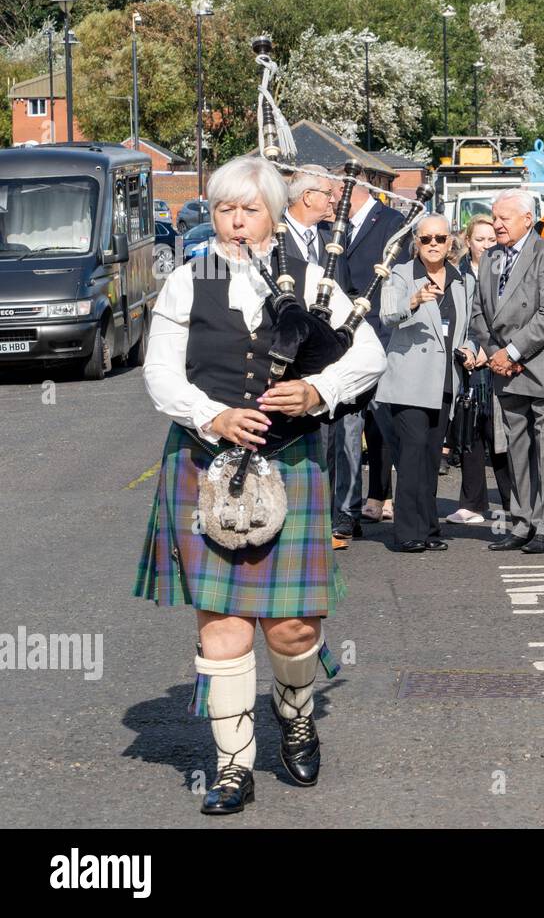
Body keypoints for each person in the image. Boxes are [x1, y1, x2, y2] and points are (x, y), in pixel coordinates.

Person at [135, 155, 386, 814]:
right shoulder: (187, 281)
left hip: (291, 460)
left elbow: (369, 356)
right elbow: (159, 372)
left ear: (274, 216)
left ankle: (296, 714)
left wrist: (318, 390)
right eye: (224, 209)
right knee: (224, 629)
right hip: (203, 463)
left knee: (293, 630)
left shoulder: (311, 281)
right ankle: (232, 766)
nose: (236, 222)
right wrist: (212, 415)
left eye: (249, 210)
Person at [465, 189, 544, 555]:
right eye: (495, 217)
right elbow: (478, 312)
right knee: (515, 452)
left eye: (505, 218)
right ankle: (521, 523)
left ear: (528, 220)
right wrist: (495, 354)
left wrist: (513, 351)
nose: (497, 224)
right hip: (506, 370)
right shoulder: (490, 259)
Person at [376, 215, 471, 553]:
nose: (433, 244)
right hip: (409, 381)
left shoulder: (462, 279)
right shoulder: (401, 274)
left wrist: (471, 349)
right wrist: (412, 301)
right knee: (412, 456)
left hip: (446, 379)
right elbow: (387, 315)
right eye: (426, 238)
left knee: (432, 457)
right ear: (416, 241)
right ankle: (407, 532)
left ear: (450, 243)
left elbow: (470, 326)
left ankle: (429, 528)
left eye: (440, 238)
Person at [326, 177, 409, 549]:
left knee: (394, 428)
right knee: (344, 429)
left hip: (384, 339)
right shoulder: (330, 227)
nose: (328, 202)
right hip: (342, 343)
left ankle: (410, 509)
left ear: (345, 192)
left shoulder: (391, 222)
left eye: (330, 194)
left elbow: (399, 281)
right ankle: (346, 512)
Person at [447, 214, 511, 526]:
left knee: (499, 433)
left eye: (490, 239)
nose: (485, 245)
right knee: (469, 430)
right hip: (466, 361)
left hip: (499, 359)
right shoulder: (456, 274)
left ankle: (515, 500)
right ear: (468, 241)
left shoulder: (505, 271)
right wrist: (466, 350)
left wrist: (489, 350)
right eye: (479, 239)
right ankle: (472, 503)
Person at [281, 165, 337, 266]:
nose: (333, 200)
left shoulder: (335, 235)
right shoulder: (273, 235)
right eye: (328, 193)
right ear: (308, 197)